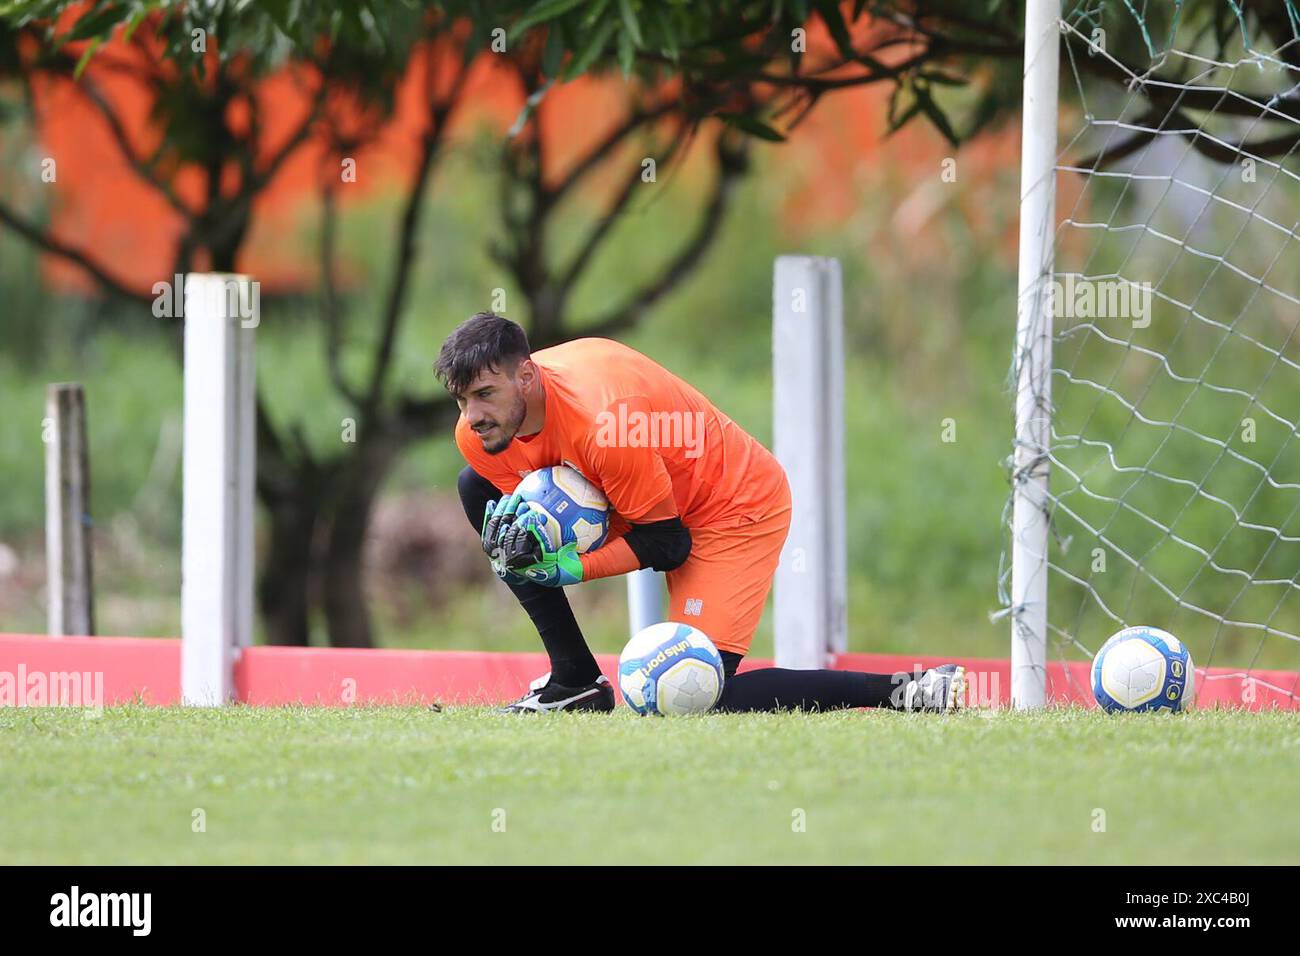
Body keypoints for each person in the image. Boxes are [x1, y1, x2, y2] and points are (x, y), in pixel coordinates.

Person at [436, 312, 965, 714]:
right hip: (636, 490)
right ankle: (575, 680)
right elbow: (575, 506)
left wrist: (571, 567)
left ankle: (907, 690)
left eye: (485, 394)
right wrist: (529, 545)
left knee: (702, 692)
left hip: (731, 506)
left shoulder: (604, 426)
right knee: (477, 494)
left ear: (526, 377)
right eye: (462, 401)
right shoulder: (477, 436)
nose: (473, 416)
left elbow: (668, 544)